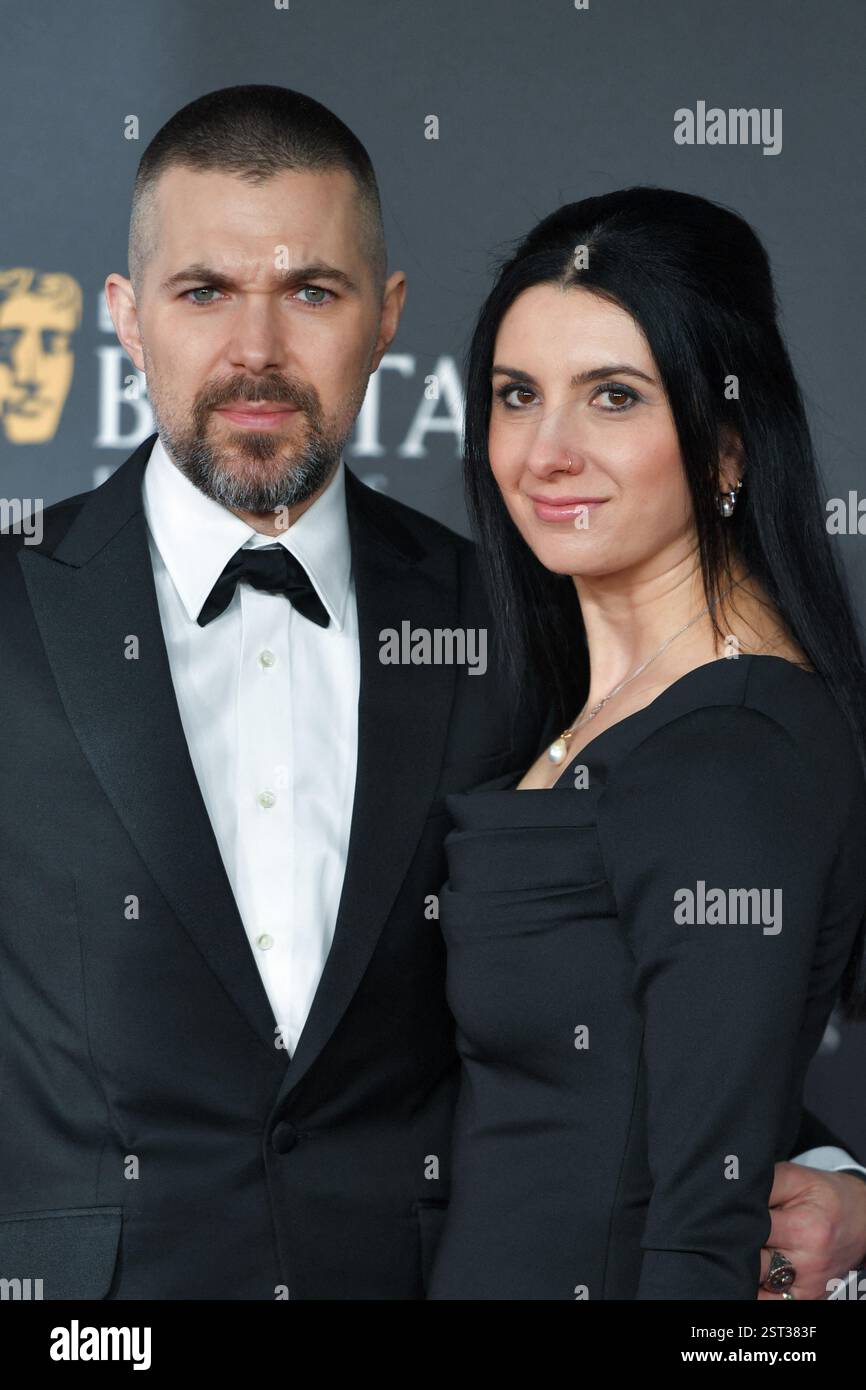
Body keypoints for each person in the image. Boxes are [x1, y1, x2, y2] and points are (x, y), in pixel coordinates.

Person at [0, 91, 862, 1300]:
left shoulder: (505, 622)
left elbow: (636, 959)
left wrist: (826, 1169)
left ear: (386, 317)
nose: (255, 349)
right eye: (203, 292)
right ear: (126, 320)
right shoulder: (13, 614)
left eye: (310, 291)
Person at [427, 186, 866, 1300]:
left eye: (611, 397)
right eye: (515, 396)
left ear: (724, 448)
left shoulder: (728, 745)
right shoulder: (579, 711)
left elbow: (698, 1220)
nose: (545, 451)